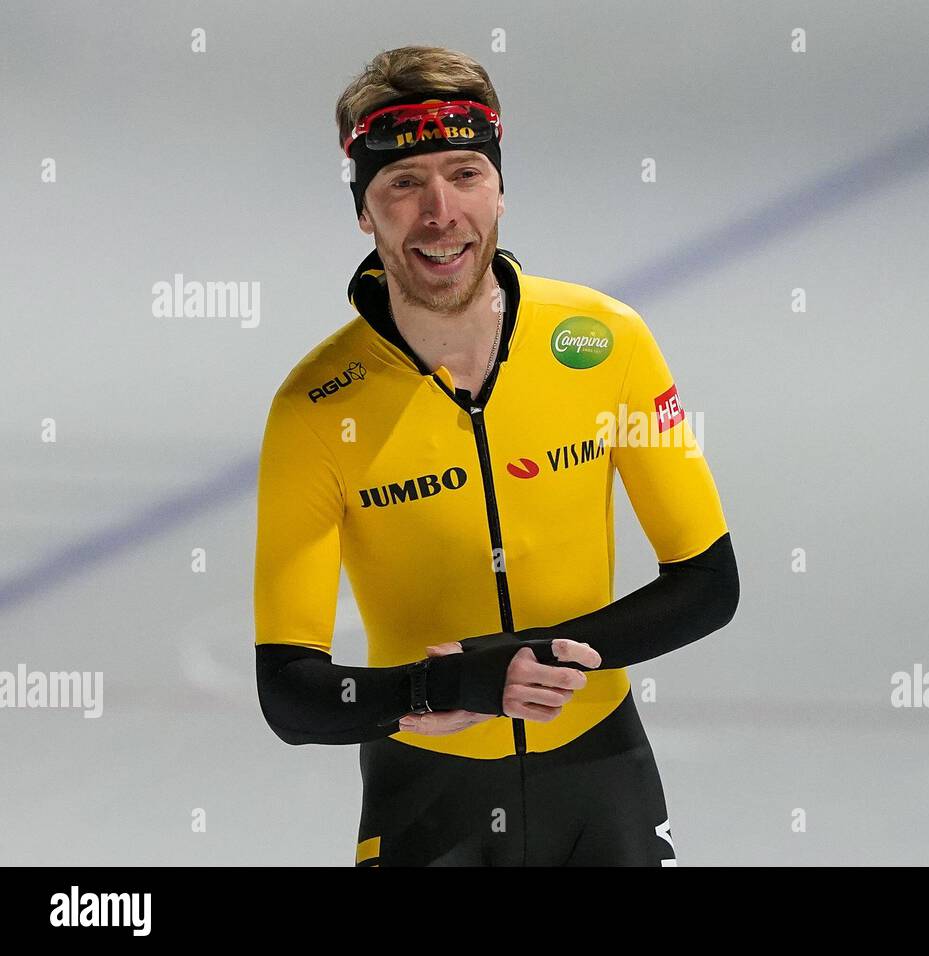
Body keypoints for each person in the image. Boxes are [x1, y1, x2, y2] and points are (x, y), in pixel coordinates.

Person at [253, 45, 740, 866]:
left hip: (602, 776)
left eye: (466, 173)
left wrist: (528, 661)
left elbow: (706, 583)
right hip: (428, 796)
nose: (441, 212)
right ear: (364, 213)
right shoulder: (315, 408)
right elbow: (292, 694)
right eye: (404, 184)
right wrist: (433, 690)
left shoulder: (605, 342)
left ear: (502, 187)